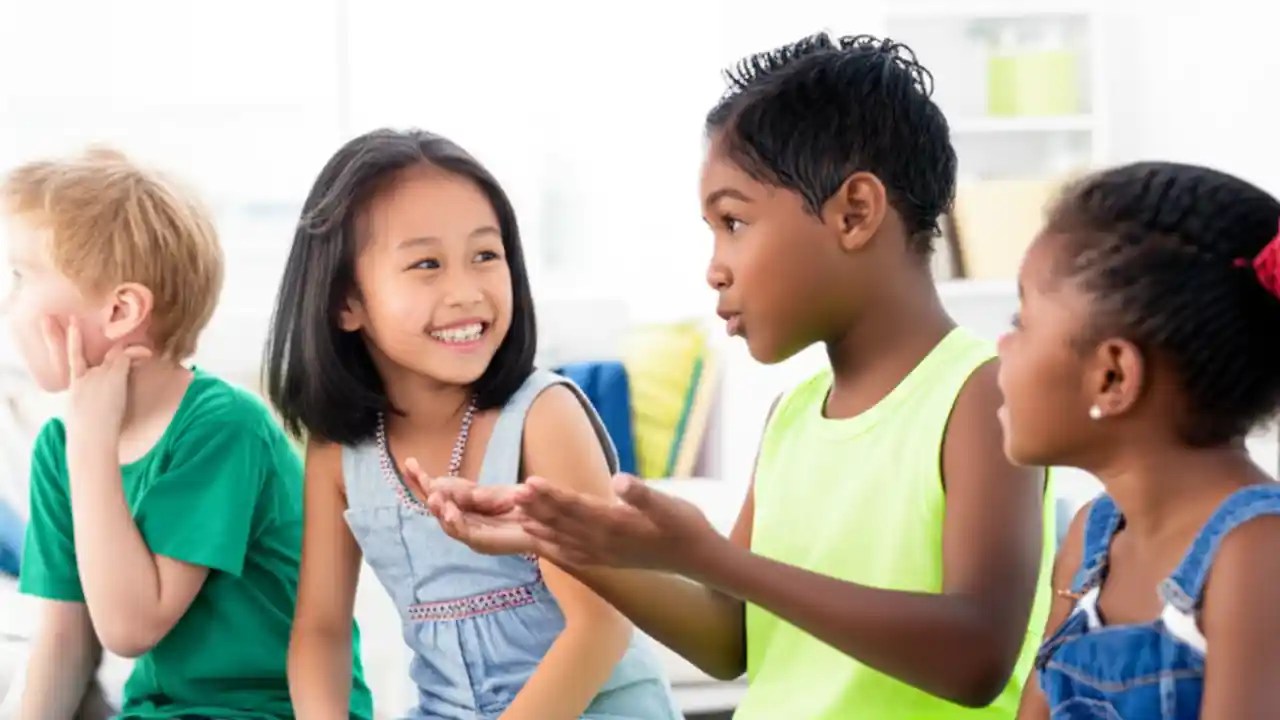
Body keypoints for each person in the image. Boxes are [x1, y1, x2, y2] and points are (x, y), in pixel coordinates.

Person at [421, 33, 1055, 719]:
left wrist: (711, 557)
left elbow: (975, 656)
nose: (715, 267)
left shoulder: (980, 394)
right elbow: (731, 640)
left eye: (734, 221)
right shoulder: (793, 414)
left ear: (855, 213)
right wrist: (574, 544)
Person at [266, 128, 680, 719]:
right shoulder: (340, 449)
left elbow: (599, 628)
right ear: (345, 303)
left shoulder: (543, 416)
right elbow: (321, 629)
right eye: (427, 264)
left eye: (486, 255)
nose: (467, 291)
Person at [3, 148, 372, 719]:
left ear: (122, 310)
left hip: (272, 710)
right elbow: (65, 642)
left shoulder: (222, 427)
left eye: (22, 278)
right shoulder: (62, 448)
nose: (9, 303)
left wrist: (89, 447)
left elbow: (131, 627)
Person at [999, 162, 1280, 718]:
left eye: (1022, 322)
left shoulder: (1258, 554)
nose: (1003, 347)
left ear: (1113, 376)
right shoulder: (1092, 537)